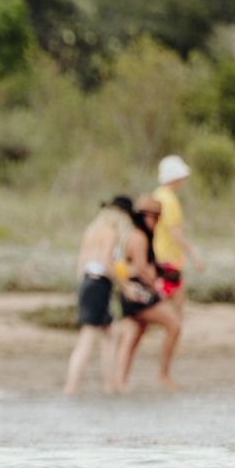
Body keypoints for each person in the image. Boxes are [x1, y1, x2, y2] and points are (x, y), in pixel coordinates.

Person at [63, 196, 135, 395]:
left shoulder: (92, 230)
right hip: (98, 283)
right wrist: (124, 286)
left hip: (88, 282)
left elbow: (82, 261)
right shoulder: (110, 231)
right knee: (87, 338)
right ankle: (71, 387)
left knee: (110, 335)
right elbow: (105, 262)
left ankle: (109, 385)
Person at [114, 195, 182, 392]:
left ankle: (120, 382)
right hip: (138, 293)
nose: (157, 222)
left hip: (132, 292)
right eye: (155, 218)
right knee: (174, 325)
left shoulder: (136, 235)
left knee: (134, 335)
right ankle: (163, 374)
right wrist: (158, 286)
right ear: (145, 217)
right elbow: (142, 270)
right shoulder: (139, 237)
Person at [150, 154, 204, 314]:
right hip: (168, 258)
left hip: (158, 256)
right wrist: (193, 253)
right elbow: (175, 233)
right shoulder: (169, 200)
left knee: (169, 301)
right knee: (175, 303)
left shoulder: (157, 195)